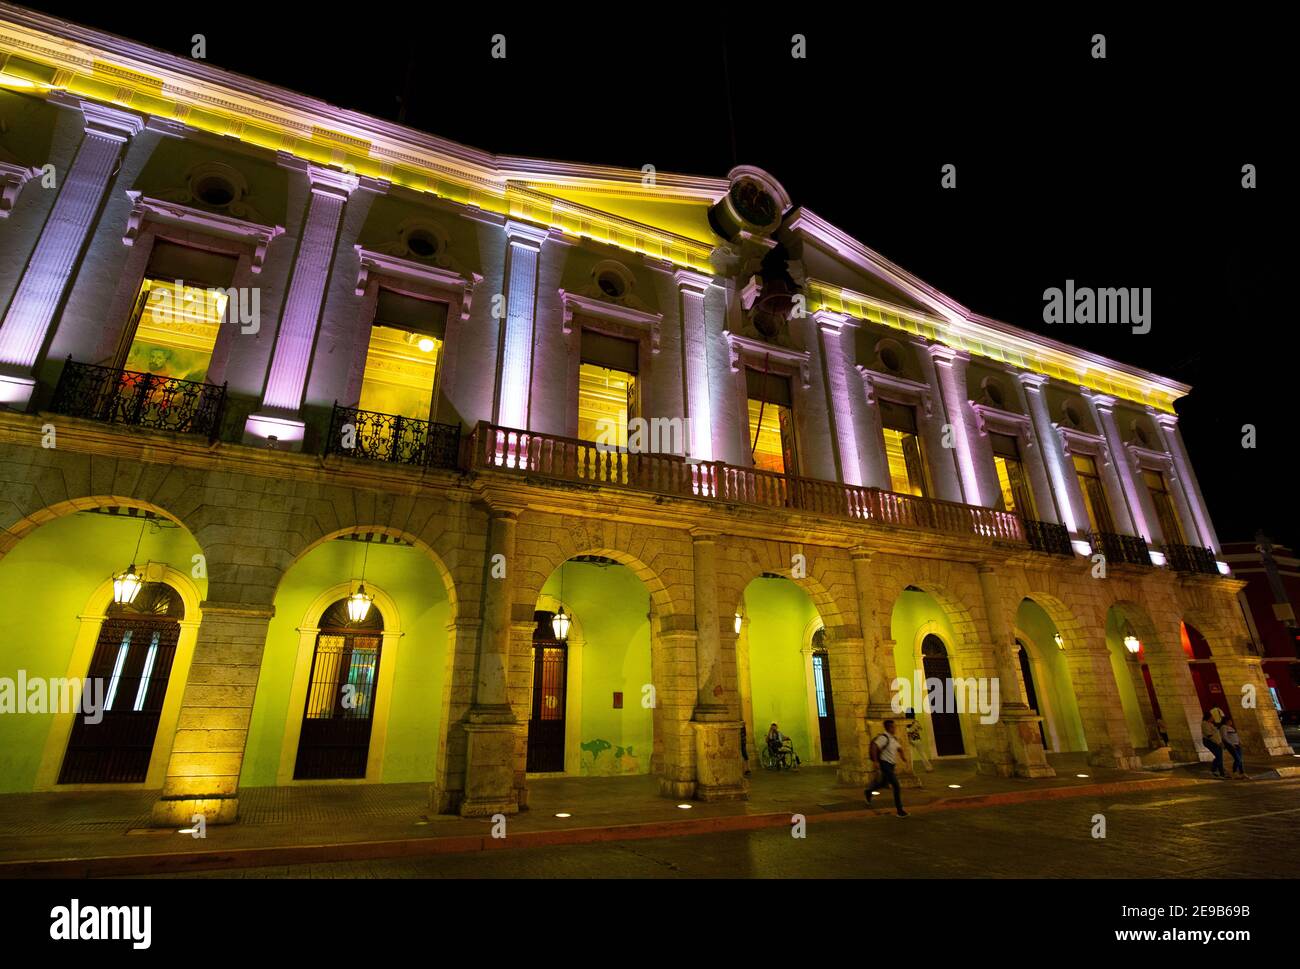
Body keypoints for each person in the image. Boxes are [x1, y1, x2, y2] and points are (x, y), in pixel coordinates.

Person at [865, 719, 908, 817]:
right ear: (888, 727)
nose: (895, 728)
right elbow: (874, 747)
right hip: (885, 764)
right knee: (896, 785)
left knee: (883, 783)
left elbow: (899, 748)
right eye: (893, 727)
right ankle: (900, 810)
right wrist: (876, 761)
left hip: (891, 765)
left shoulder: (893, 739)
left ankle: (868, 791)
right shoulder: (883, 738)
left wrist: (903, 756)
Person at [1201, 712, 1225, 778]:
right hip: (1211, 742)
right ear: (1208, 717)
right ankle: (1214, 770)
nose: (1213, 718)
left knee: (1220, 757)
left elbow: (1216, 733)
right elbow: (1209, 735)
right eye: (1212, 717)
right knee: (1219, 757)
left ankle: (1221, 773)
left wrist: (1220, 741)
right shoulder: (1204, 724)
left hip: (1217, 742)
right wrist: (1218, 742)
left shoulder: (1210, 724)